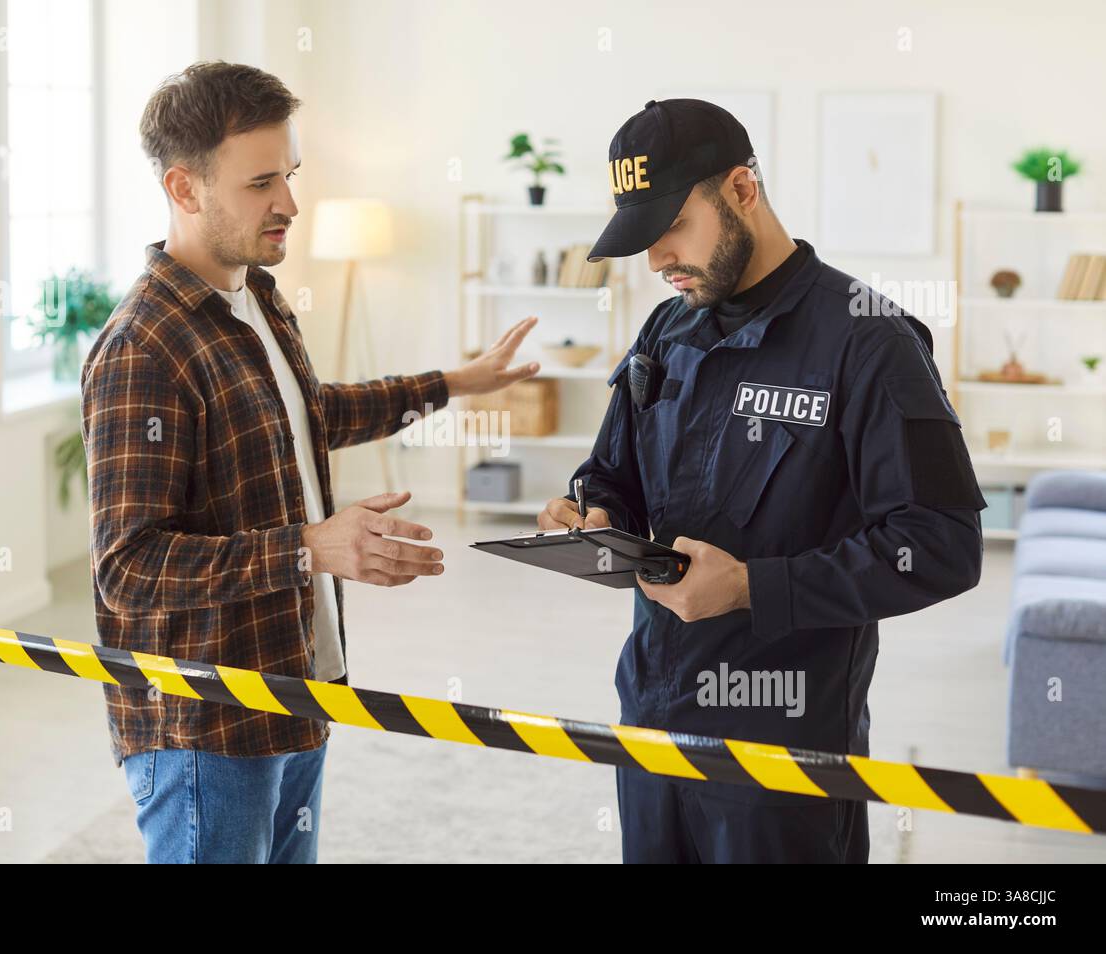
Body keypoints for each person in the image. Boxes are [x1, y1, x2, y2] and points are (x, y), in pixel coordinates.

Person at [81, 61, 538, 863]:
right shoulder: (143, 348)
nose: (290, 203)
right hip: (207, 729)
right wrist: (310, 546)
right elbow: (130, 568)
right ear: (184, 189)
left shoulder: (255, 295)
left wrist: (458, 382)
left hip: (296, 687)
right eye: (262, 182)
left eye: (289, 175)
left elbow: (310, 416)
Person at [538, 98, 986, 863]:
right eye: (643, 238)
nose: (656, 261)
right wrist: (593, 513)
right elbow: (614, 472)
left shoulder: (870, 341)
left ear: (742, 189)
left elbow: (941, 544)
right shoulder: (666, 329)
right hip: (649, 710)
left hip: (783, 749)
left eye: (673, 228)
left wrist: (751, 587)